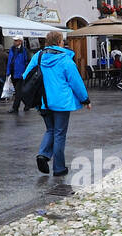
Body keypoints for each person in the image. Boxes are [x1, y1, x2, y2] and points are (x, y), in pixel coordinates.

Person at [24, 29, 90, 176]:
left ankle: (43, 154)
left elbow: (25, 75)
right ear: (60, 42)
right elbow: (76, 82)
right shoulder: (65, 59)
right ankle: (59, 168)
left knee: (50, 130)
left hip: (43, 101)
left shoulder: (38, 56)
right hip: (61, 102)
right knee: (59, 133)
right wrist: (85, 99)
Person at [6, 36, 30, 112]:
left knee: (18, 91)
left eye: (16, 40)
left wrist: (25, 73)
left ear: (20, 41)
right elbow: (9, 61)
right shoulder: (12, 49)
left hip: (21, 74)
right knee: (19, 91)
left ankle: (15, 108)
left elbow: (27, 62)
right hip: (13, 73)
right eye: (14, 40)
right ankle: (27, 104)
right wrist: (8, 72)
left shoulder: (24, 50)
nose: (14, 42)